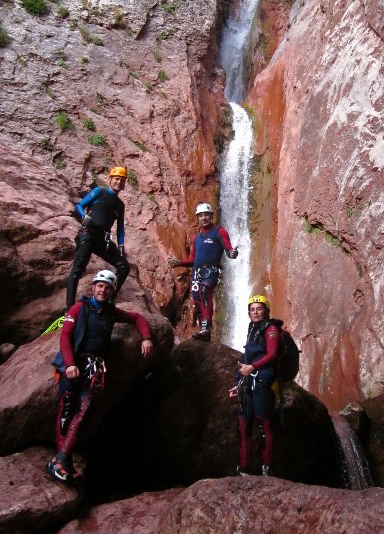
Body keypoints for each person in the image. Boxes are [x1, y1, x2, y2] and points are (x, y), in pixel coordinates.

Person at [47, 269, 154, 485]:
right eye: (100, 286)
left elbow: (137, 317)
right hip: (74, 363)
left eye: (107, 288)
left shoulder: (111, 312)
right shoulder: (78, 308)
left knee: (84, 411)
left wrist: (146, 337)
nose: (103, 290)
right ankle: (61, 461)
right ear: (93, 288)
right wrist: (70, 364)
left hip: (93, 367)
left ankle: (61, 459)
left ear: (112, 292)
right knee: (67, 408)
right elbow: (65, 336)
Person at [168, 202, 238, 339]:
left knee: (204, 290)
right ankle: (203, 331)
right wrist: (179, 263)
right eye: (201, 216)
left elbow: (229, 249)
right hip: (197, 272)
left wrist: (232, 253)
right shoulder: (196, 238)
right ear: (198, 218)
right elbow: (192, 260)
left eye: (206, 215)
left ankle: (207, 327)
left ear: (211, 216)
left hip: (211, 271)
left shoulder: (219, 232)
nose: (204, 218)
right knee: (196, 298)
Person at [66, 167, 131, 309]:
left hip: (103, 240)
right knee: (77, 270)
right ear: (111, 179)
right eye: (117, 179)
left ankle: (107, 302)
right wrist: (83, 215)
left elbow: (120, 227)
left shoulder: (120, 205)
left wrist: (121, 245)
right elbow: (79, 205)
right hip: (88, 234)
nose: (119, 182)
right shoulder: (99, 192)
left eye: (122, 180)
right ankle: (69, 309)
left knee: (124, 266)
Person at [235, 294, 279, 477]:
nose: (255, 312)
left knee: (263, 424)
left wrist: (253, 367)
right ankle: (244, 467)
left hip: (263, 380)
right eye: (252, 309)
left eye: (259, 309)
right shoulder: (251, 329)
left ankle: (267, 467)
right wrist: (238, 383)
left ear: (266, 311)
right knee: (244, 425)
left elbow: (272, 355)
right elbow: (245, 360)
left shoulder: (271, 329)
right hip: (249, 381)